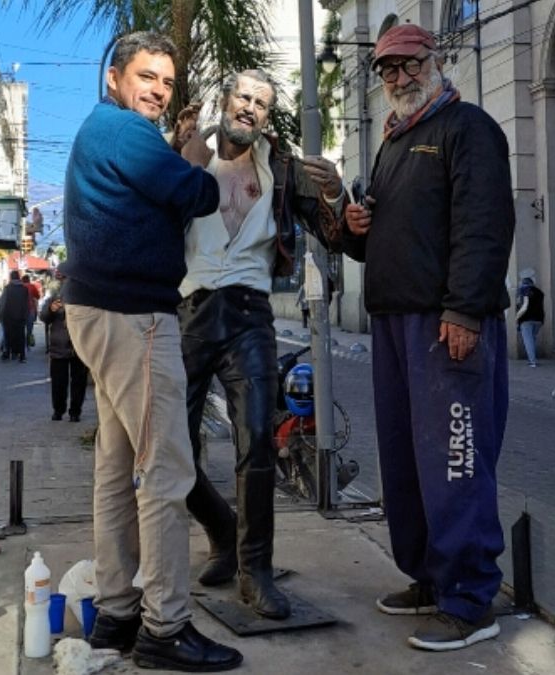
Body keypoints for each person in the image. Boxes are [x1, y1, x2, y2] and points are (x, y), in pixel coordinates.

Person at [61, 31, 241, 671]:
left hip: (101, 312)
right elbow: (198, 194)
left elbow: (151, 186)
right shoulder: (125, 133)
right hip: (134, 319)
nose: (158, 91)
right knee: (165, 471)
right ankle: (165, 627)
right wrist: (193, 156)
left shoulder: (107, 132)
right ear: (115, 77)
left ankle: (116, 615)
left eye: (166, 81)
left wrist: (174, 152)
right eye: (146, 77)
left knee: (115, 469)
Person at [340, 24, 513, 652]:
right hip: (391, 323)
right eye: (387, 70)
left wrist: (465, 312)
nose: (398, 78)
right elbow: (378, 240)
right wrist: (355, 227)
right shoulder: (391, 144)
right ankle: (431, 578)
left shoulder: (469, 130)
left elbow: (484, 225)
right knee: (407, 464)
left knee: (454, 463)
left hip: (445, 327)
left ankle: (470, 600)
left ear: (434, 61)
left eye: (408, 65)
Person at [169, 69, 344, 620]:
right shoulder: (188, 156)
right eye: (242, 97)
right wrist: (175, 151)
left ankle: (256, 572)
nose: (250, 108)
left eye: (262, 103)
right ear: (224, 102)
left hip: (250, 315)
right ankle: (222, 532)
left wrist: (337, 192)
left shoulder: (283, 169)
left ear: (268, 115)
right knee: (171, 446)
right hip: (191, 312)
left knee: (257, 445)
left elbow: (337, 233)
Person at [40, 271, 87, 422]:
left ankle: (75, 411)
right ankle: (58, 410)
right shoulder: (54, 297)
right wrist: (51, 310)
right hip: (59, 345)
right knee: (58, 382)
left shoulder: (83, 298)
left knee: (78, 381)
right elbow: (43, 317)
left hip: (79, 345)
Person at [0, 271, 30, 362]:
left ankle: (7, 353)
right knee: (20, 336)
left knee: (8, 335)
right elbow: (26, 304)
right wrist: (26, 315)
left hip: (8, 316)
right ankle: (21, 355)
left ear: (11, 278)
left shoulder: (7, 288)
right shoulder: (24, 289)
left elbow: (2, 302)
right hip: (21, 316)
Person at [514, 278, 545, 368]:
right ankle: (532, 359)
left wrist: (517, 317)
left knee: (528, 341)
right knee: (532, 339)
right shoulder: (540, 292)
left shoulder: (523, 290)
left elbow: (523, 306)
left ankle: (532, 361)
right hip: (539, 319)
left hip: (526, 319)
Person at [23, 273, 42, 349]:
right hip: (30, 310)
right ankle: (28, 345)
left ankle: (22, 344)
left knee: (21, 328)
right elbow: (38, 296)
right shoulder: (32, 286)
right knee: (29, 329)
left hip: (21, 311)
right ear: (29, 280)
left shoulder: (20, 287)